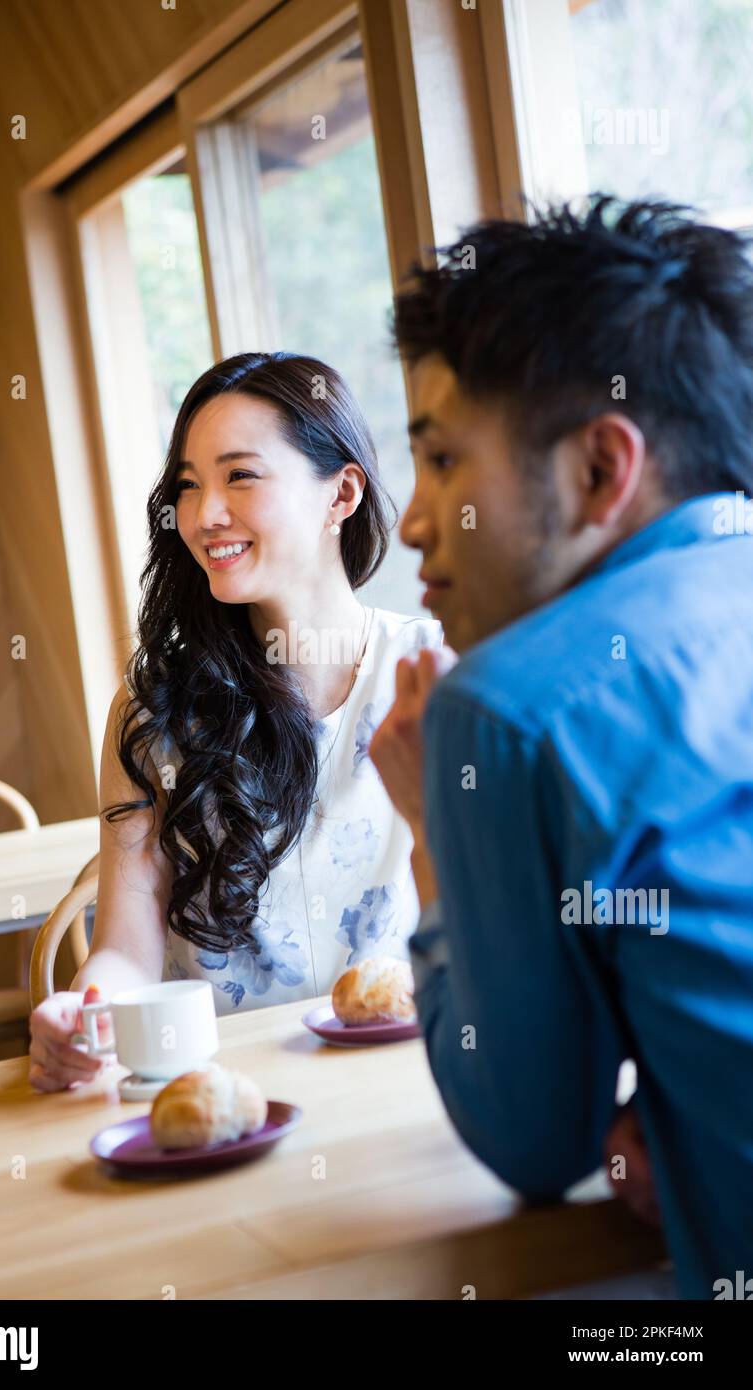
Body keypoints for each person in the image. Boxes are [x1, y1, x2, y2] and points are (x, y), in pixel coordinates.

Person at [369, 196, 753, 1299]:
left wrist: (434, 837)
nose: (411, 519)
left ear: (597, 469)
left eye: (441, 457)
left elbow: (530, 1139)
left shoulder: (506, 710)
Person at [29, 351, 443, 1091]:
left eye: (239, 476)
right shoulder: (155, 706)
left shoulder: (428, 675)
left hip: (406, 1074)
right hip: (221, 1091)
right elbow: (127, 941)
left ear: (341, 493)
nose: (203, 514)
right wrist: (85, 1010)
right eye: (188, 487)